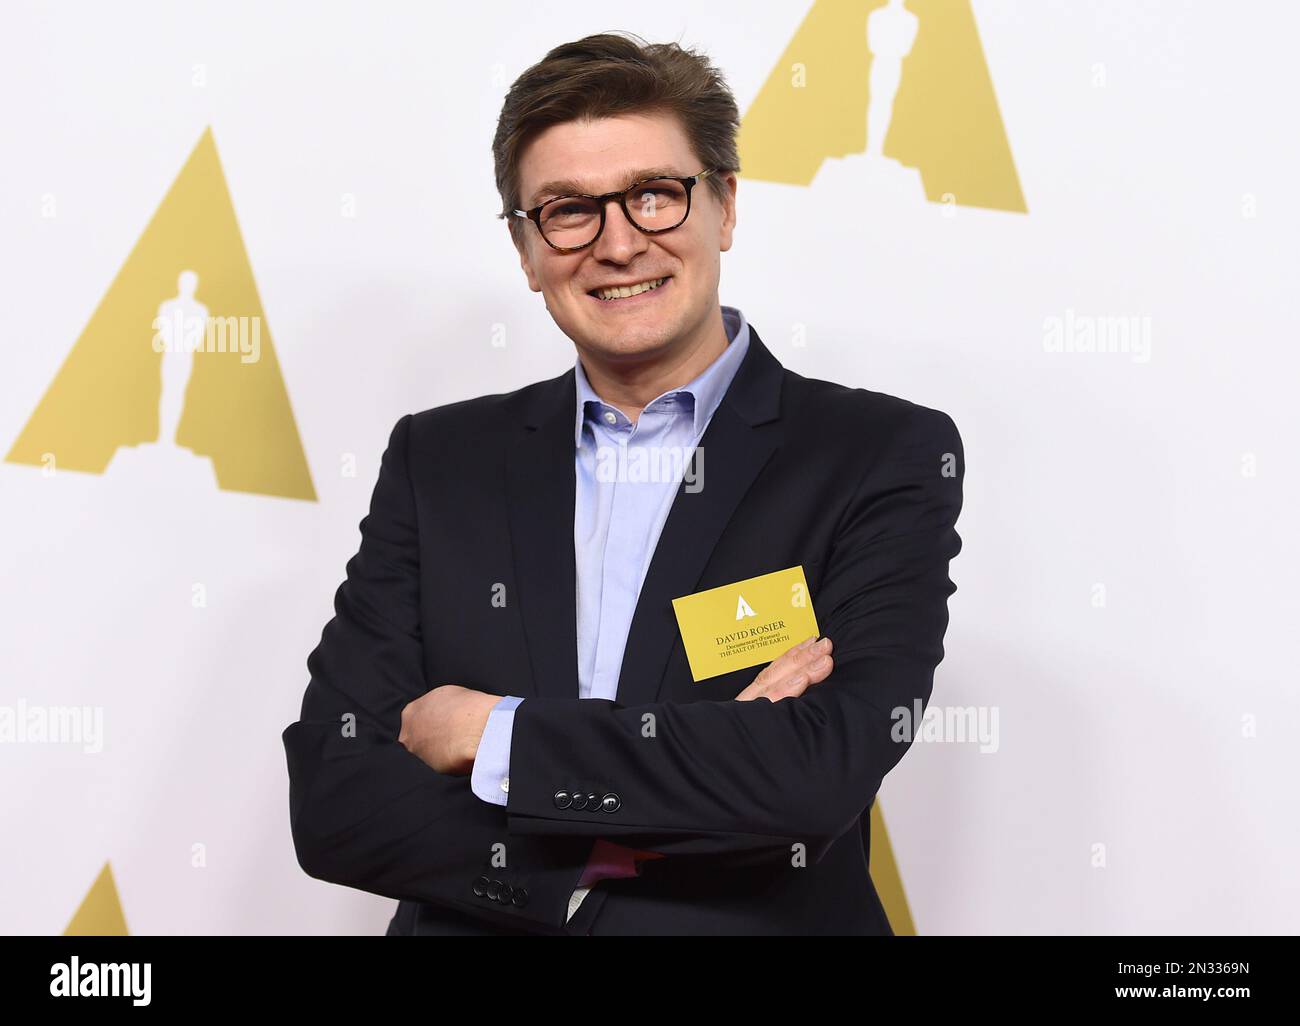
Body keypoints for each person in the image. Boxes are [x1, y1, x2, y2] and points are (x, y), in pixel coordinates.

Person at [282, 30, 963, 936]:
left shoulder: (879, 454)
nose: (617, 243)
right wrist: (617, 844)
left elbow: (816, 774)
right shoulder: (439, 461)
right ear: (527, 252)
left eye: (654, 196)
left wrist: (496, 738)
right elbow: (335, 797)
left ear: (724, 207)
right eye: (568, 210)